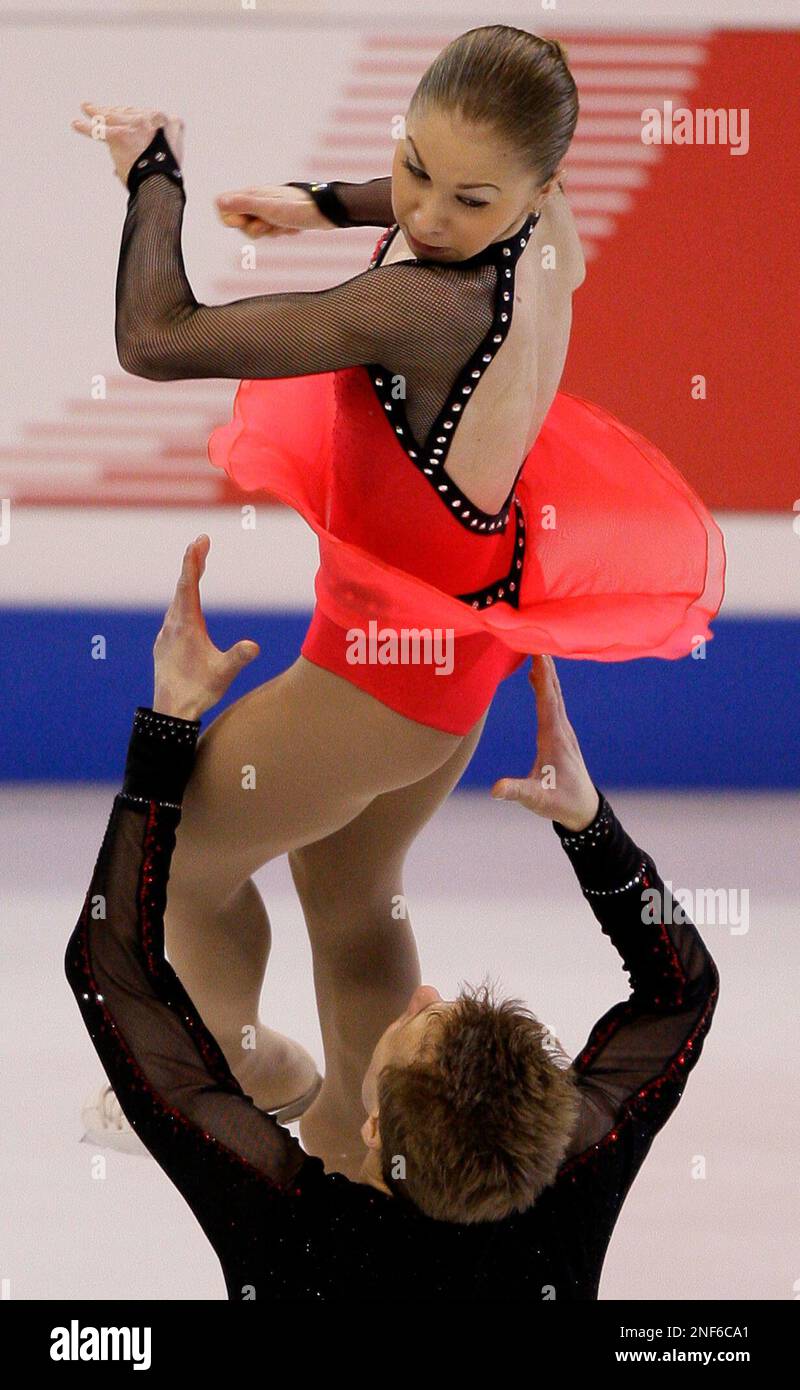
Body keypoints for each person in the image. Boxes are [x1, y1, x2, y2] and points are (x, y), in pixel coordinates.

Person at [69, 25, 724, 1167]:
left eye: (465, 198)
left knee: (177, 863)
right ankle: (366, 1153)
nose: (421, 214)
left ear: (534, 187)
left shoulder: (425, 310)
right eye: (412, 167)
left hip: (374, 678)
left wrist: (154, 173)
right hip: (454, 658)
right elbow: (442, 188)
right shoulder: (540, 237)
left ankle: (238, 1062)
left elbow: (156, 337)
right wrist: (322, 201)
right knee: (348, 887)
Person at [65, 536, 720, 1300]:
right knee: (351, 881)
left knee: (313, 883)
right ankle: (257, 1063)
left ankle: (256, 1059)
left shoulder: (555, 1186)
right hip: (444, 682)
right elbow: (107, 967)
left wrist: (589, 825)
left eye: (414, 1024)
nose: (424, 993)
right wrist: (167, 726)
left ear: (381, 1133)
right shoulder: (286, 1217)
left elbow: (685, 991)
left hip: (415, 677)